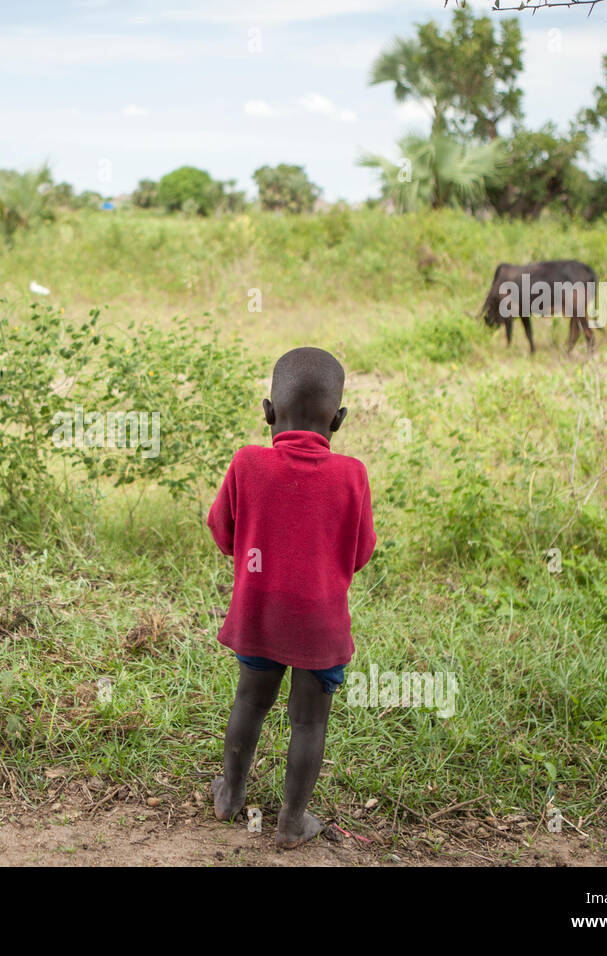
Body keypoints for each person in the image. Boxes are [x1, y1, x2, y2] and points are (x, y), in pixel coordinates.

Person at [207, 347, 376, 848]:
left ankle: (230, 794)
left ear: (267, 412)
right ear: (339, 420)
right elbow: (361, 552)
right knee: (308, 722)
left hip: (260, 614)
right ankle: (291, 823)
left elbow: (223, 532)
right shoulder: (353, 474)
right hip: (320, 624)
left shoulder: (247, 463)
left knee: (249, 701)